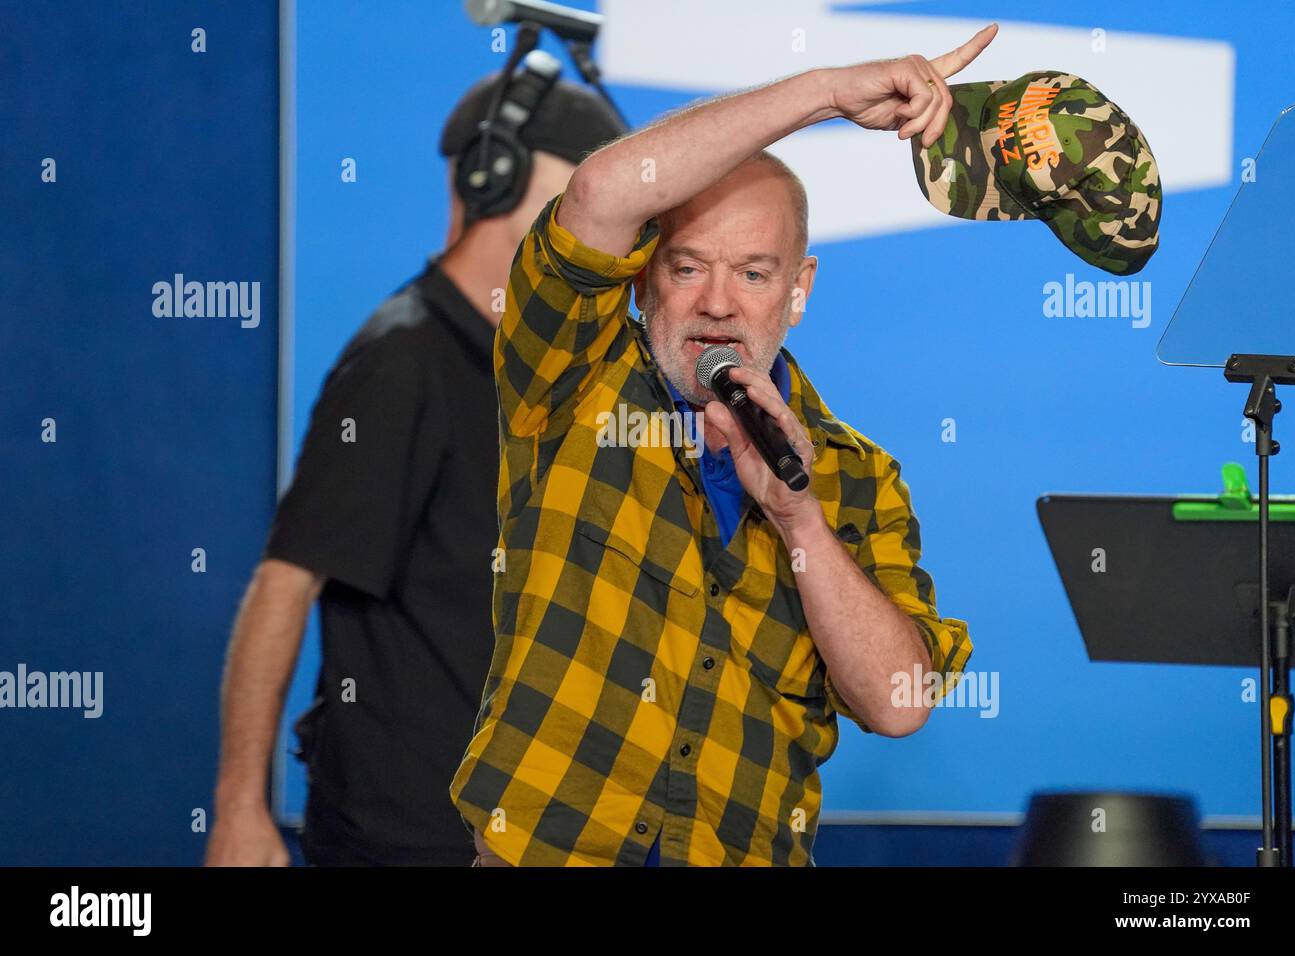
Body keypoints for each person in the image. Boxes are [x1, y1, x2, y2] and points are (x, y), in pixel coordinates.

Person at [451, 26, 999, 867]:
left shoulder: (856, 475)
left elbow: (900, 703)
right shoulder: (572, 379)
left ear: (798, 290)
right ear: (642, 275)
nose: (717, 303)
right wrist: (824, 91)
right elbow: (601, 189)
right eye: (686, 267)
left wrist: (802, 524)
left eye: (752, 272)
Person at [204, 72, 627, 867]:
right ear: (493, 181)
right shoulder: (404, 361)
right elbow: (284, 584)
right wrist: (239, 811)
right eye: (583, 203)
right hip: (407, 840)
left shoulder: (540, 370)